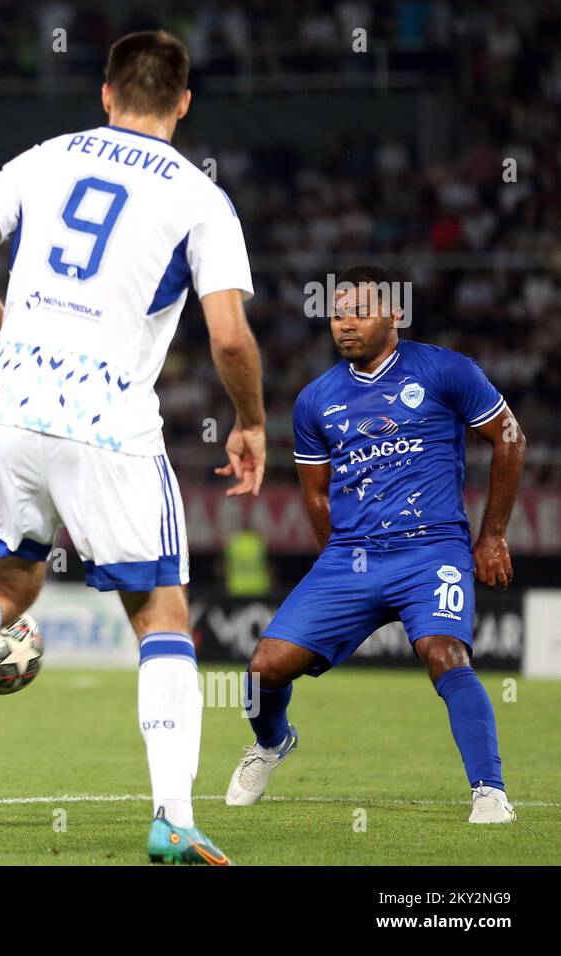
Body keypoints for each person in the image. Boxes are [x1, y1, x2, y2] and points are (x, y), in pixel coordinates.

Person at [0, 31, 266, 864]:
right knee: (161, 616)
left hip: (10, 401)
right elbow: (229, 339)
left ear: (106, 93)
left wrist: (6, 335)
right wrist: (251, 419)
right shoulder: (200, 198)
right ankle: (173, 818)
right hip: (109, 420)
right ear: (183, 102)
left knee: (4, 580)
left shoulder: (43, 158)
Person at [225, 265, 524, 824]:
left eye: (359, 311)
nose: (345, 324)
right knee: (261, 669)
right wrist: (335, 566)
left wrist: (493, 535)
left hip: (431, 550)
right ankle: (271, 744)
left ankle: (490, 792)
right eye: (337, 313)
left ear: (396, 314)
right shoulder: (316, 400)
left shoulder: (446, 371)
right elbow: (315, 496)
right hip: (351, 556)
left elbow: (509, 438)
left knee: (446, 656)